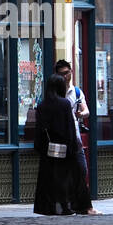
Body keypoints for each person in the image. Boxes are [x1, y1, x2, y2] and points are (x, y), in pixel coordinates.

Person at [54, 59, 99, 215]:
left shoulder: (77, 92)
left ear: (71, 72)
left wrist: (82, 113)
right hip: (60, 140)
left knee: (81, 170)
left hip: (75, 139)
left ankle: (79, 204)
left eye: (67, 73)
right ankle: (67, 205)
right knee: (62, 173)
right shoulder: (54, 94)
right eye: (61, 74)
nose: (65, 77)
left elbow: (86, 111)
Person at [33, 74, 80, 216]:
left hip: (47, 148)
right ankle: (65, 206)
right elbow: (69, 127)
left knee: (47, 179)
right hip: (63, 148)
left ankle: (48, 207)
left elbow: (39, 129)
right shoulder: (64, 104)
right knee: (64, 178)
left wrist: (39, 147)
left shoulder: (42, 106)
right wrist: (73, 147)